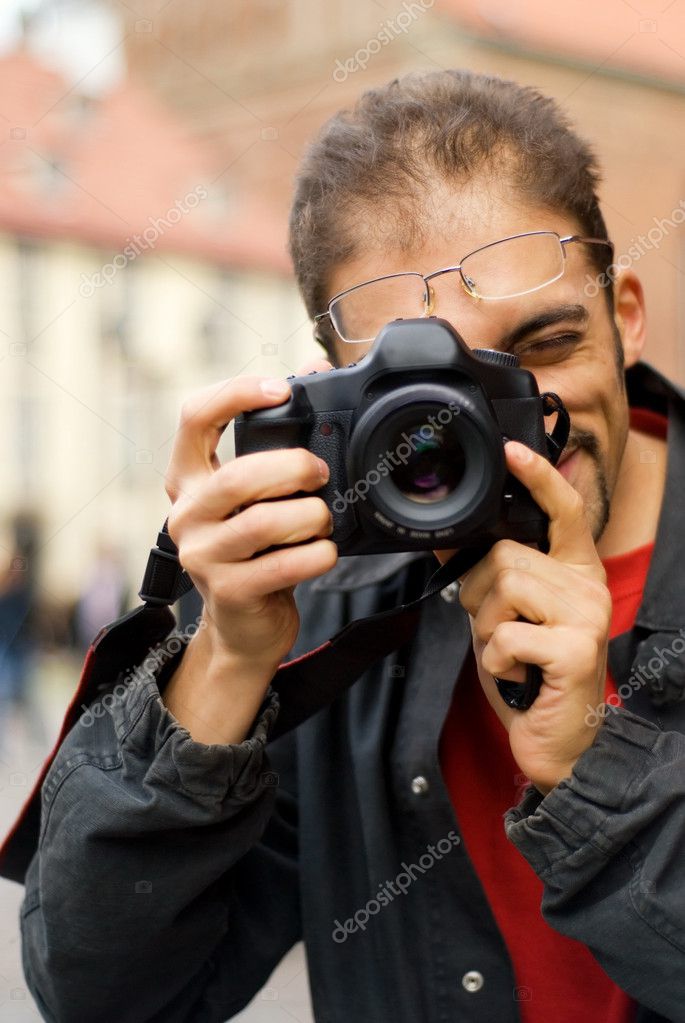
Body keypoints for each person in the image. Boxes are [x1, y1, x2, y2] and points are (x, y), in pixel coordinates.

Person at [8, 70, 685, 1022]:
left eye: (540, 345)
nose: (506, 427)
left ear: (622, 316)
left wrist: (591, 767)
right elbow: (105, 996)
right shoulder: (320, 603)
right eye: (433, 400)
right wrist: (226, 661)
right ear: (340, 398)